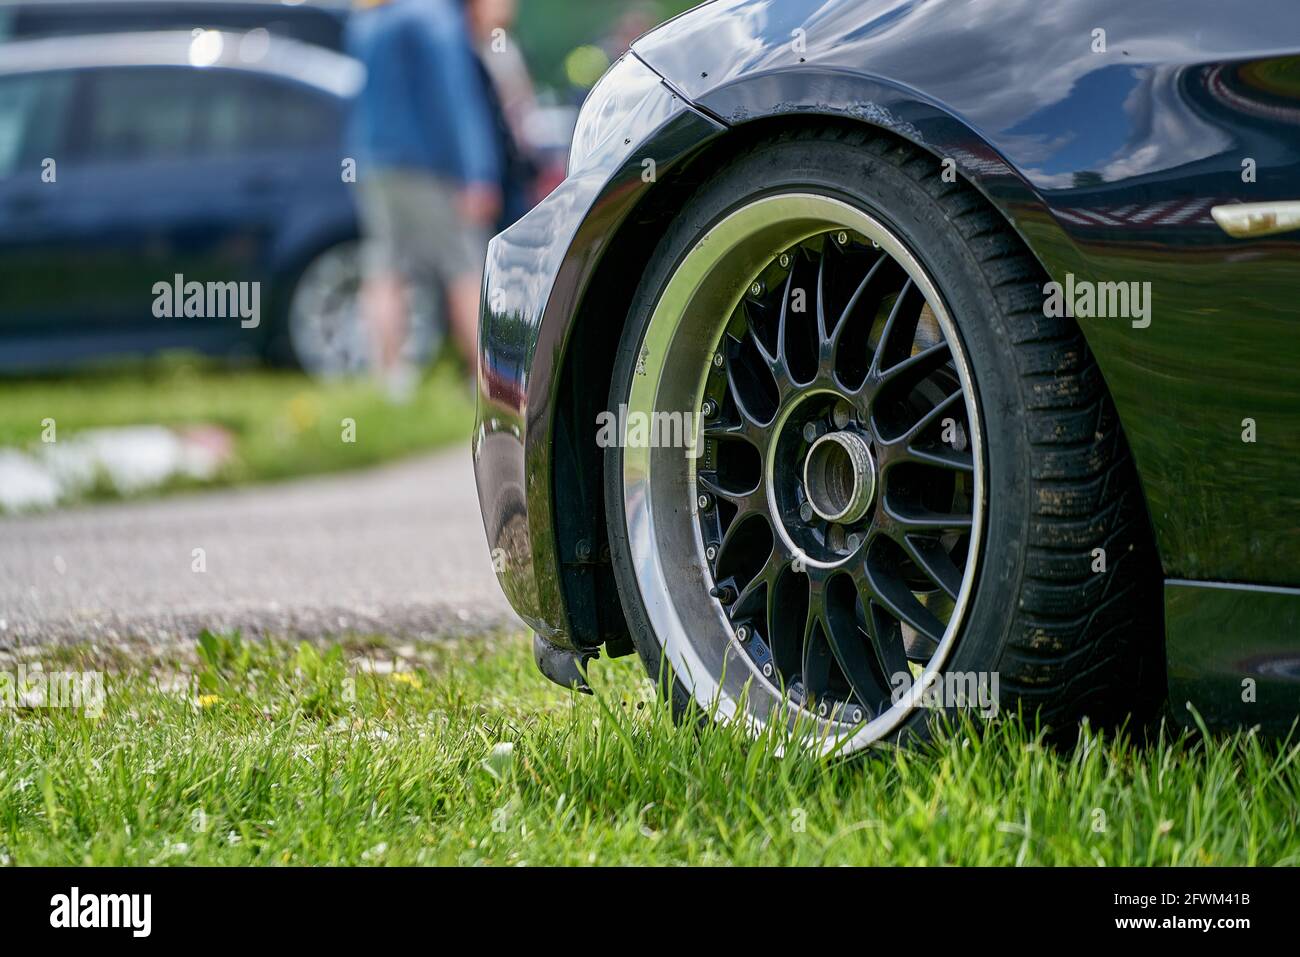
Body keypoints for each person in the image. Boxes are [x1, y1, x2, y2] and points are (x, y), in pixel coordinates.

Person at [346, 0, 502, 397]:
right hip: (427, 166)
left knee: (384, 267)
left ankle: (391, 380)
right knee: (465, 265)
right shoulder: (433, 19)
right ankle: (487, 382)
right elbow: (455, 101)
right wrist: (478, 173)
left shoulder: (367, 19)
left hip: (374, 163)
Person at [463, 0, 541, 232]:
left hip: (511, 164)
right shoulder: (464, 48)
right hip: (486, 166)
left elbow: (523, 106)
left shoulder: (504, 47)